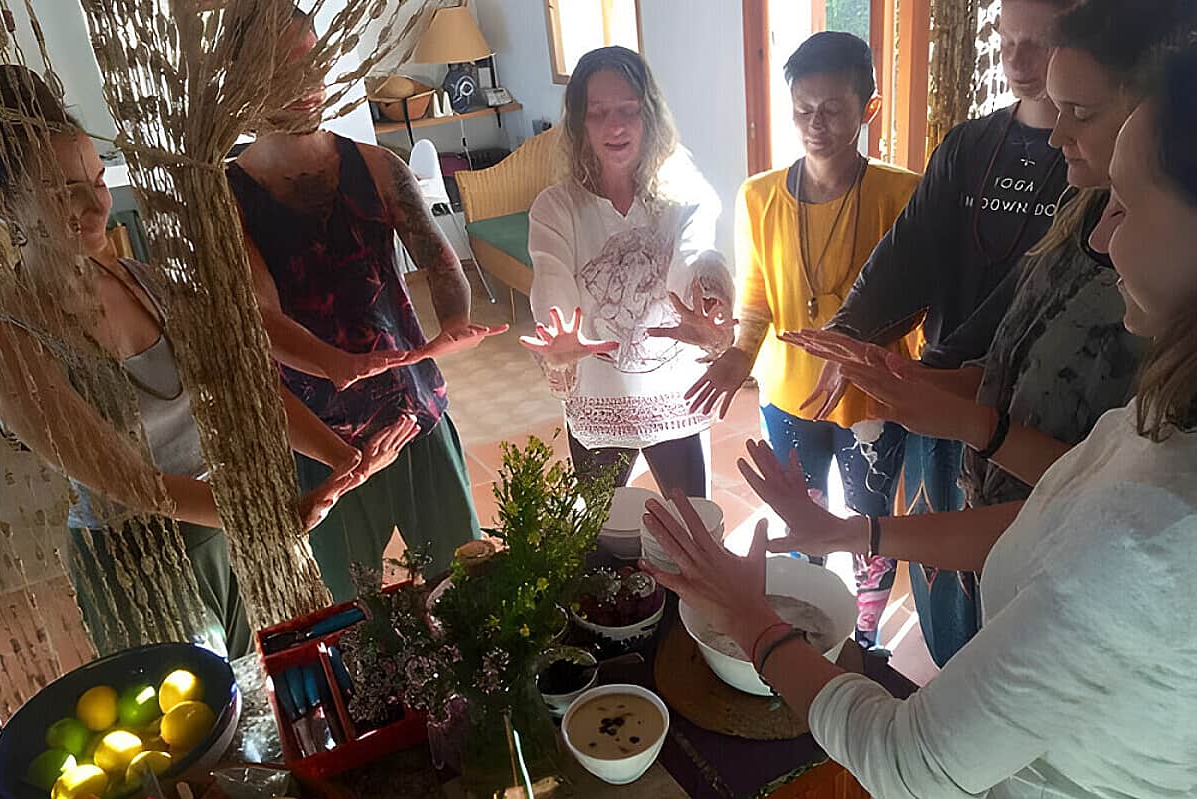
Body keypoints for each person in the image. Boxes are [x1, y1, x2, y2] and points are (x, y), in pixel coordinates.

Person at [641, 36, 1197, 796]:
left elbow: (909, 761)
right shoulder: (1161, 417)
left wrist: (752, 621)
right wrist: (859, 525)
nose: (1097, 238)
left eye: (1125, 206)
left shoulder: (1148, 542)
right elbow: (1058, 505)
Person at [787, 0, 1188, 652]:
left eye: (1080, 112)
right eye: (1007, 40)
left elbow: (1084, 506)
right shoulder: (1053, 196)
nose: (1059, 133)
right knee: (953, 628)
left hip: (1047, 536)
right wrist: (900, 367)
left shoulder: (1155, 291)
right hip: (971, 438)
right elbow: (997, 333)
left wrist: (941, 395)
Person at [0, 66, 415, 657]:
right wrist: (264, 519)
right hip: (138, 560)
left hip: (224, 523)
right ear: (8, 207)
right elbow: (127, 481)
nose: (94, 208)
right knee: (197, 723)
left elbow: (243, 384)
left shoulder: (143, 281)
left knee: (273, 686)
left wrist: (339, 455)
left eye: (95, 181)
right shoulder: (13, 337)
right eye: (60, 193)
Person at [798, 0, 1072, 664]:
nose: (1017, 59)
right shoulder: (967, 148)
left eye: (1038, 42)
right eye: (1006, 40)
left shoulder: (1095, 162)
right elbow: (905, 256)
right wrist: (850, 333)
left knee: (1024, 586)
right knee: (942, 577)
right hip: (939, 409)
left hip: (1036, 417)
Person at [228, 10, 504, 600]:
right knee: (356, 614)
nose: (307, 80)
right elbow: (261, 321)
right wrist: (333, 369)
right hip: (318, 442)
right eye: (282, 66)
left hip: (414, 415)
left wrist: (453, 323)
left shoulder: (378, 167)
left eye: (313, 59)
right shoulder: (230, 198)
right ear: (245, 76)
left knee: (465, 585)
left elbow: (438, 259)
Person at [687, 32, 920, 648]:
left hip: (875, 398)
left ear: (867, 109)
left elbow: (920, 302)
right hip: (788, 395)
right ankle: (811, 623)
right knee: (802, 514)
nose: (816, 124)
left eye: (833, 109)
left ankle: (864, 637)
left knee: (870, 527)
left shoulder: (903, 195)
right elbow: (757, 296)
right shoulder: (758, 196)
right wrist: (738, 354)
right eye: (802, 109)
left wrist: (871, 359)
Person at [519, 46, 734, 498]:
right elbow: (551, 277)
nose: (614, 126)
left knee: (691, 527)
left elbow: (696, 259)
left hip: (671, 392)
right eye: (597, 113)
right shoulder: (556, 208)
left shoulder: (683, 195)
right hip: (599, 391)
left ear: (649, 116)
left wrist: (709, 298)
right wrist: (557, 332)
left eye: (628, 110)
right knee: (600, 539)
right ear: (579, 125)